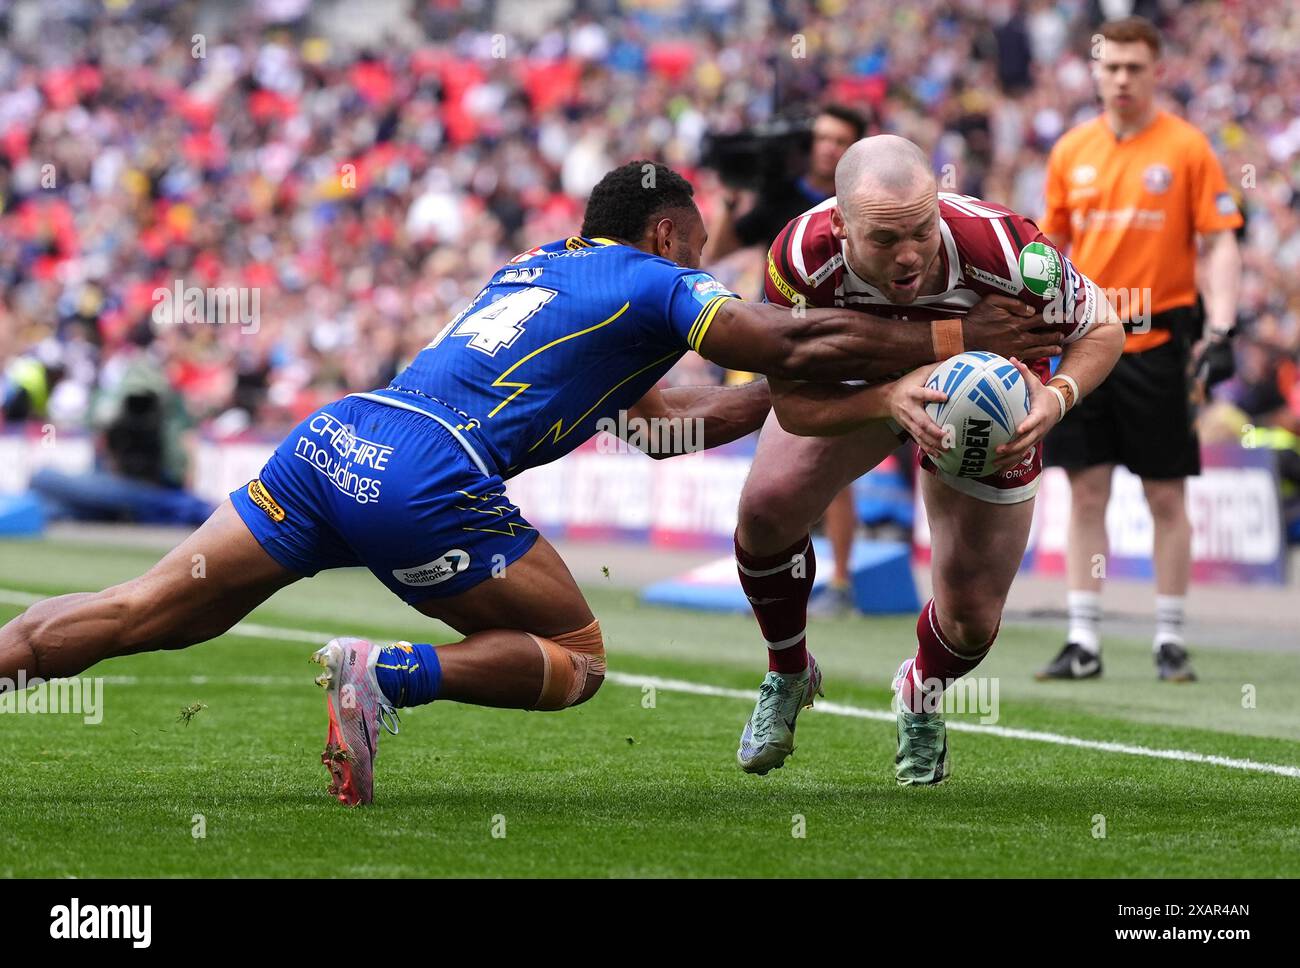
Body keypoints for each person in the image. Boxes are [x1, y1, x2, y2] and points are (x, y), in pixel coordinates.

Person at [0, 160, 1055, 806]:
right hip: (421, 475)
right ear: (665, 231)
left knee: (148, 612)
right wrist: (949, 336)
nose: (707, 255)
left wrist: (878, 378)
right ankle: (383, 674)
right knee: (580, 660)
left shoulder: (535, 273)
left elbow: (669, 426)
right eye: (698, 237)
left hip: (338, 442)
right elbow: (782, 335)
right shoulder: (653, 277)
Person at [732, 135, 1125, 785]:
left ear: (938, 205)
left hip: (988, 398)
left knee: (971, 619)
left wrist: (1056, 398)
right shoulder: (799, 258)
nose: (909, 254)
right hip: (865, 387)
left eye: (922, 230)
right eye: (885, 241)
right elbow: (795, 406)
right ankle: (787, 672)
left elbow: (1103, 328)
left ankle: (921, 691)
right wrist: (889, 396)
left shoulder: (1009, 250)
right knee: (766, 509)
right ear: (841, 225)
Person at [1035, 16, 1243, 683]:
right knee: (1086, 490)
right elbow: (1049, 251)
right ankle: (1083, 640)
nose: (1122, 78)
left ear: (1156, 71)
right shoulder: (1071, 151)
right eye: (1111, 66)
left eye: (1135, 67)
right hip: (1087, 342)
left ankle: (1170, 639)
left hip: (1159, 341)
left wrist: (1224, 328)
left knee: (1165, 496)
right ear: (1095, 70)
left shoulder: (1187, 148)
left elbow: (1220, 242)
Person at [705, 104, 871, 615]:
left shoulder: (863, 203)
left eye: (839, 139)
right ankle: (778, 576)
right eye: (820, 137)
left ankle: (841, 583)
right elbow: (717, 252)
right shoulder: (782, 194)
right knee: (776, 465)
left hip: (838, 342)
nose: (826, 146)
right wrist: (732, 200)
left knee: (832, 465)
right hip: (774, 343)